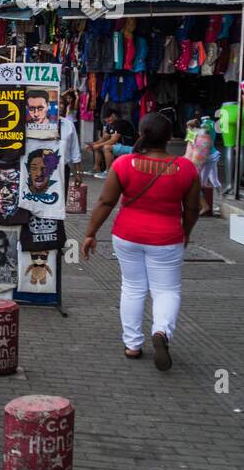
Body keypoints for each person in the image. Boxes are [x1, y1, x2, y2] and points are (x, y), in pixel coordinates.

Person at [81, 112, 200, 370]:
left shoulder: (124, 164)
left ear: (141, 134)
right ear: (170, 138)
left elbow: (106, 202)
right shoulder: (186, 168)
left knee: (133, 288)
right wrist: (186, 232)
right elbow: (192, 209)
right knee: (166, 290)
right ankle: (161, 332)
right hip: (167, 237)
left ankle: (133, 344)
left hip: (127, 235)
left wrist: (90, 233)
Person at [86, 106, 136, 176]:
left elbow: (113, 140)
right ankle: (97, 168)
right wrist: (93, 144)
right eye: (106, 118)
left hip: (130, 147)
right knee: (97, 147)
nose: (108, 120)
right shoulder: (109, 125)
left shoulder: (120, 123)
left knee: (107, 147)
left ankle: (108, 171)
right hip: (119, 146)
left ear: (113, 115)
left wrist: (99, 145)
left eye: (109, 117)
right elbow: (104, 138)